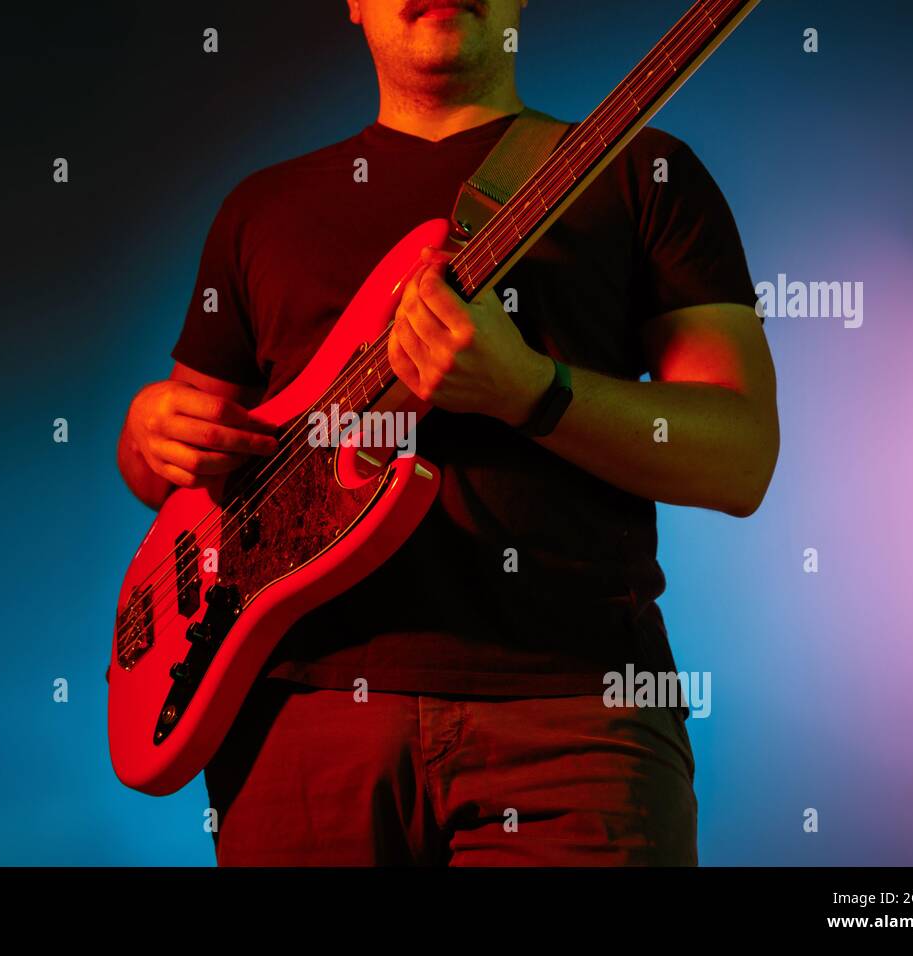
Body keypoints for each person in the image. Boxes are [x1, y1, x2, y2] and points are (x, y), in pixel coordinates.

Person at [116, 0, 779, 865]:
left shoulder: (641, 171)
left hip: (574, 723)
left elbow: (739, 457)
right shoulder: (260, 208)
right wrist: (145, 434)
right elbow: (173, 469)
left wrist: (532, 392)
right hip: (296, 731)